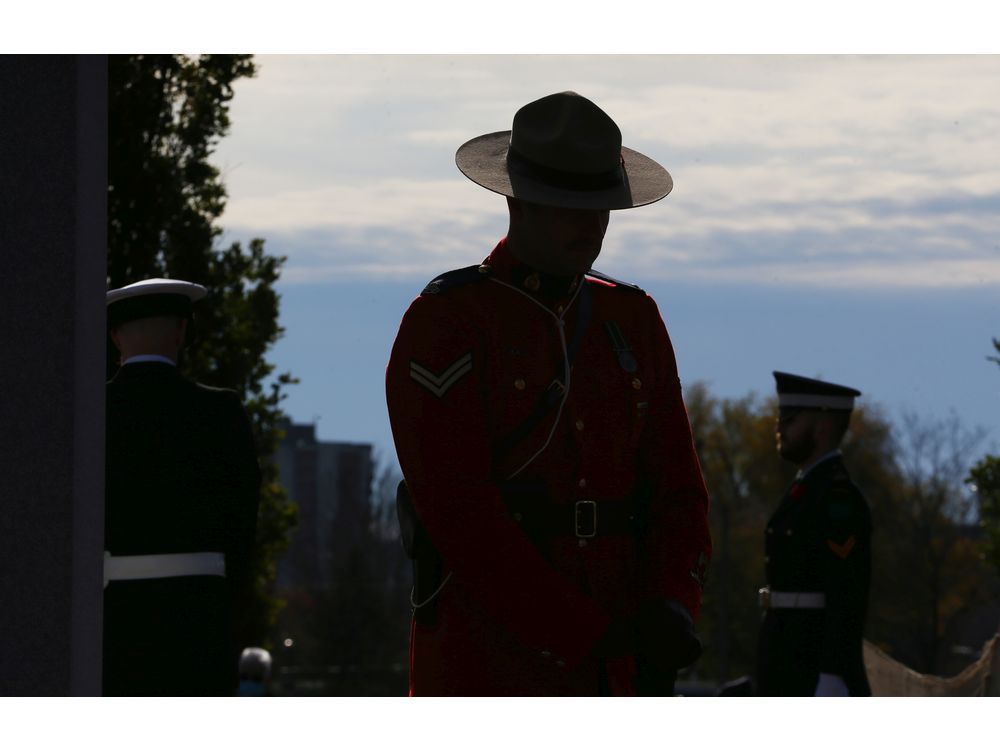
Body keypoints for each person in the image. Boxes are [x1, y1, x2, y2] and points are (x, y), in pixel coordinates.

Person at [385, 91, 712, 696]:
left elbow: (678, 493)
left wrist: (672, 602)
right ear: (519, 200)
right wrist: (584, 631)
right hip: (491, 658)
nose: (592, 225)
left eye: (603, 206)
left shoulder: (630, 318)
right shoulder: (449, 322)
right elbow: (460, 514)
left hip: (623, 660)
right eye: (571, 205)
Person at [103, 278, 261, 696]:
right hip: (200, 617)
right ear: (181, 332)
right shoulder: (221, 412)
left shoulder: (88, 412)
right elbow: (243, 525)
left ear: (115, 336)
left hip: (112, 619)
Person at [756, 371, 872, 696]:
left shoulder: (837, 498)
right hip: (787, 660)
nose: (779, 429)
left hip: (812, 665)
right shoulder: (806, 489)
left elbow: (846, 593)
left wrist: (832, 673)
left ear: (822, 427)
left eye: (790, 421)